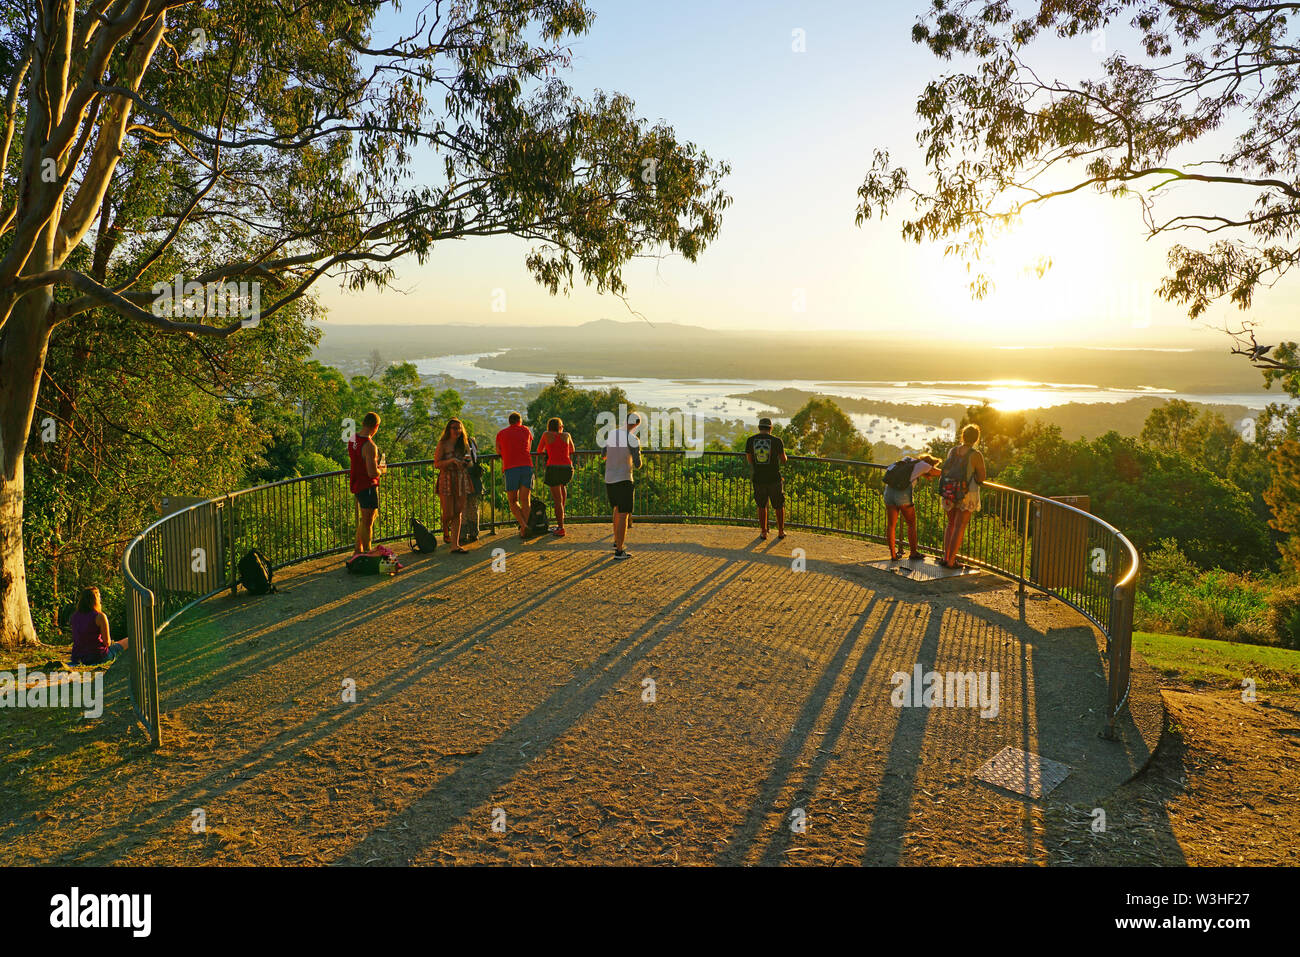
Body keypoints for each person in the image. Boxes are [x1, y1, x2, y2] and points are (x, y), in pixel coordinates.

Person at [940, 424, 988, 569]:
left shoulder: (952, 451)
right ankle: (951, 561)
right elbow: (982, 477)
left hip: (949, 490)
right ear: (976, 439)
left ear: (963, 436)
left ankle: (946, 557)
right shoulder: (976, 455)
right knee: (960, 526)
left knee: (951, 525)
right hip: (967, 493)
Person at [883, 453, 942, 561]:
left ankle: (893, 555)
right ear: (930, 464)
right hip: (903, 495)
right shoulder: (924, 465)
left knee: (891, 525)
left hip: (889, 491)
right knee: (911, 523)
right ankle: (913, 553)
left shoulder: (908, 459)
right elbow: (940, 473)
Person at [602, 411, 642, 559]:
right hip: (624, 478)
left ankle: (616, 540)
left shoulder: (612, 434)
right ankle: (619, 550)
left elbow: (603, 454)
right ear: (635, 424)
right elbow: (638, 464)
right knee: (624, 514)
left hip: (609, 477)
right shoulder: (632, 439)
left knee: (616, 509)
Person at [348, 411, 386, 555]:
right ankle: (367, 551)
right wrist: (381, 471)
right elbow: (372, 472)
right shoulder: (370, 446)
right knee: (368, 521)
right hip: (367, 486)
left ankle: (358, 549)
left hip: (357, 483)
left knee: (367, 518)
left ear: (363, 423)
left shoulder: (353, 439)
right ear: (376, 426)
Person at [745, 417, 788, 540]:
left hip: (758, 477)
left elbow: (749, 459)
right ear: (771, 428)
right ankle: (780, 531)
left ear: (759, 428)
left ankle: (764, 532)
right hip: (774, 478)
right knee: (779, 505)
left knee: (761, 505)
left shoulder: (750, 440)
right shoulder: (777, 441)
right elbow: (783, 459)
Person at [435, 418, 474, 554]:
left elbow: (470, 463)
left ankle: (455, 545)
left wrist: (465, 462)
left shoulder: (464, 444)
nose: (457, 430)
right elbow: (437, 463)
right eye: (454, 428)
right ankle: (445, 527)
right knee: (448, 512)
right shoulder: (443, 444)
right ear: (449, 430)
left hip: (461, 478)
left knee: (458, 512)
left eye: (459, 428)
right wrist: (451, 460)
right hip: (446, 478)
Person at [496, 412, 535, 539]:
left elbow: (498, 451)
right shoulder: (526, 430)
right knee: (526, 500)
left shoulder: (501, 434)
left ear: (509, 422)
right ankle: (524, 529)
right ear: (520, 421)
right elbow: (529, 447)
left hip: (510, 467)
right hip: (526, 466)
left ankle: (523, 526)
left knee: (513, 500)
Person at [536, 417, 576, 537]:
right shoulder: (567, 435)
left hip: (553, 468)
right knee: (562, 490)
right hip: (567, 468)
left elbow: (539, 450)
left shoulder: (546, 434)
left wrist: (549, 450)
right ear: (560, 427)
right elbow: (572, 450)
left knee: (557, 500)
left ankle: (561, 527)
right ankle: (561, 521)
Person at [69, 586, 128, 666]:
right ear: (95, 600)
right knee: (131, 640)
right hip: (98, 656)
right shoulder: (100, 616)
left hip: (78, 658)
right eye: (99, 597)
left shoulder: (74, 616)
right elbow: (107, 642)